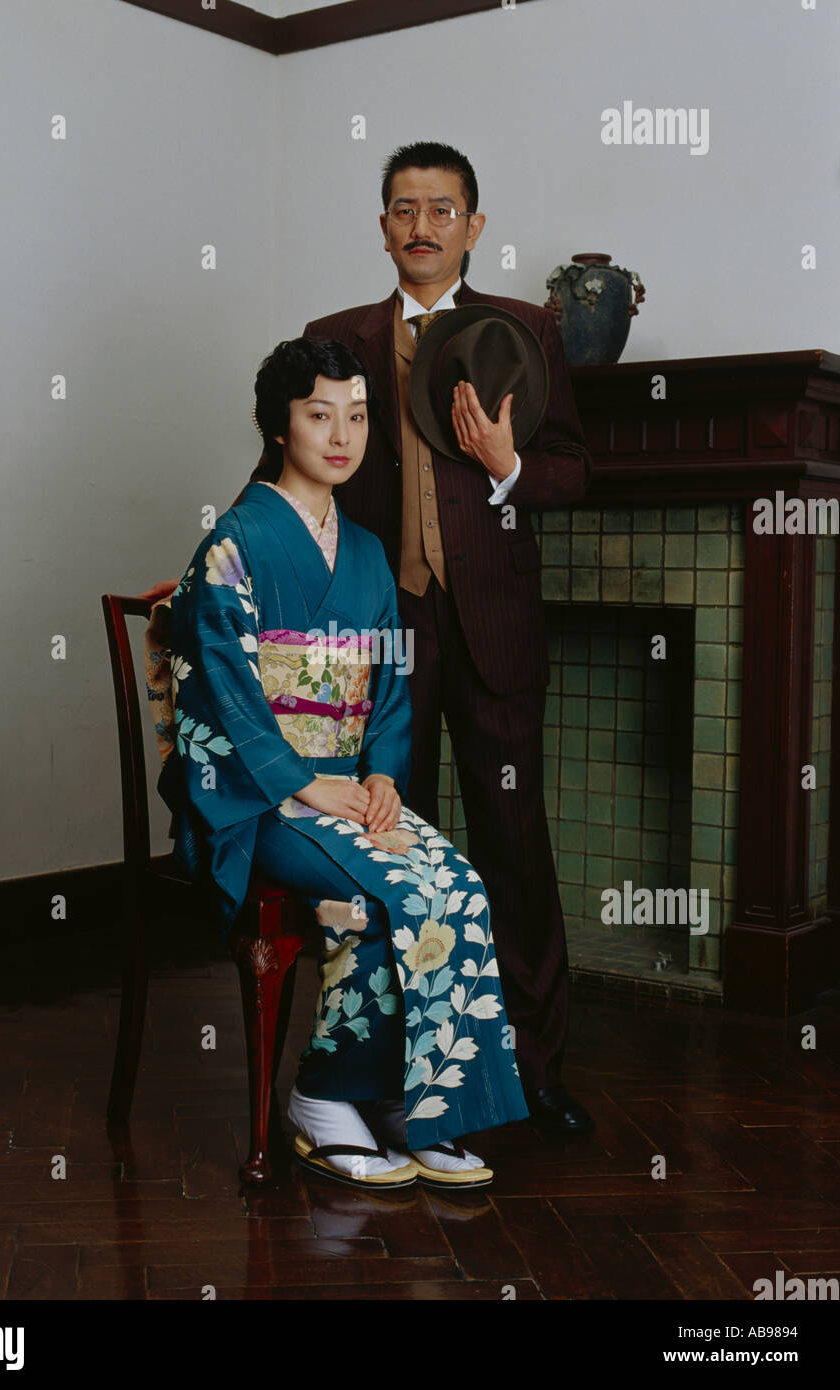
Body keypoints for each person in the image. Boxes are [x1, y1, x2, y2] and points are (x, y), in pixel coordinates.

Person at [243, 141, 595, 1134]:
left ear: (474, 228)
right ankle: (397, 1078)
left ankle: (533, 1071)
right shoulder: (335, 335)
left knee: (512, 852)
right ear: (383, 224)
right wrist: (211, 562)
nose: (422, 225)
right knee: (396, 851)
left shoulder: (524, 329)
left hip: (493, 628)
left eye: (443, 208)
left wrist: (509, 459)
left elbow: (574, 471)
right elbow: (290, 461)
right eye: (404, 208)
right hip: (377, 638)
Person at [157, 337, 528, 1190]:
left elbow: (391, 683)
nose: (341, 435)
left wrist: (382, 776)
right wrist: (300, 782)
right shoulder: (233, 544)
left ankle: (416, 1102)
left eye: (357, 417)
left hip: (348, 789)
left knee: (456, 881)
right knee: (378, 890)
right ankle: (322, 1099)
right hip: (262, 798)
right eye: (319, 414)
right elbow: (217, 686)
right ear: (277, 424)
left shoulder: (363, 551)